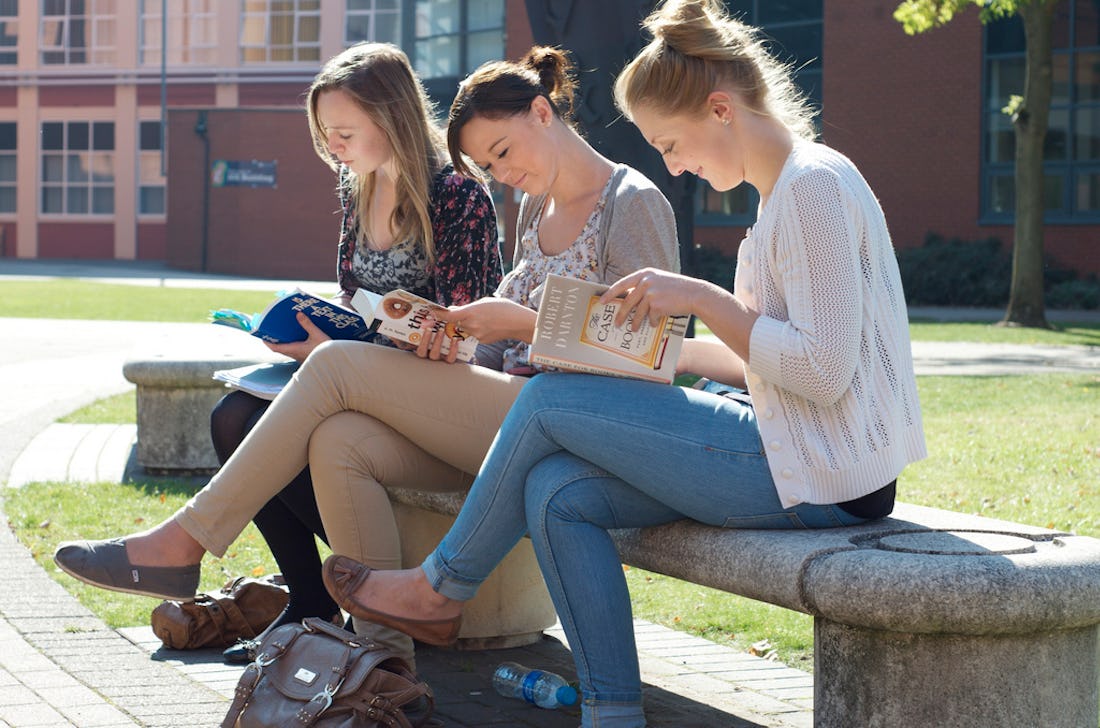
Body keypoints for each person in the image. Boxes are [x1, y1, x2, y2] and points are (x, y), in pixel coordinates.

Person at [317, 2, 928, 726]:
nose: (673, 165)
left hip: (826, 470)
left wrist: (700, 296)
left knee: (546, 403)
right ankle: (613, 713)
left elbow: (823, 373)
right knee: (556, 493)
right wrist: (664, 344)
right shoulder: (783, 195)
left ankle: (439, 588)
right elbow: (757, 360)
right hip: (792, 445)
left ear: (721, 110)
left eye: (670, 143)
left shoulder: (812, 186)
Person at [53, 46, 679, 668]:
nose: (500, 173)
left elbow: (653, 363)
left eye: (501, 153)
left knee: (334, 366)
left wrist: (516, 324)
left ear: (543, 113)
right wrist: (454, 333)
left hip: (569, 426)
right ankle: (381, 661)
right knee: (340, 441)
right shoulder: (538, 206)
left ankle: (183, 541)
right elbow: (499, 345)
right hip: (507, 413)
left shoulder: (632, 201)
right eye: (489, 162)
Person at [204, 42, 503, 662]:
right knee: (232, 416)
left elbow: (469, 335)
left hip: (435, 395)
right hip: (352, 373)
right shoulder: (356, 186)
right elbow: (352, 292)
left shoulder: (458, 196)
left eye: (343, 132)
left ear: (391, 117)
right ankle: (311, 600)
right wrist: (315, 328)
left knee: (308, 429)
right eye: (325, 134)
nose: (333, 147)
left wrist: (339, 347)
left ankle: (349, 597)